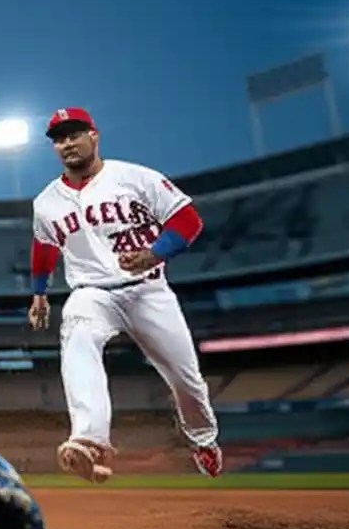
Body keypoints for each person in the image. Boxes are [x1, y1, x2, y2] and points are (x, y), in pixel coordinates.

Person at [27, 107, 222, 482]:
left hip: (148, 289)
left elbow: (187, 221)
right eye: (59, 139)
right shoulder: (46, 202)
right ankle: (88, 439)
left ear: (94, 136)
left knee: (186, 379)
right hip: (91, 292)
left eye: (74, 134)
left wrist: (154, 252)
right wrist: (38, 293)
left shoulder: (135, 177)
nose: (67, 143)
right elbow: (44, 247)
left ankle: (204, 439)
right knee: (77, 332)